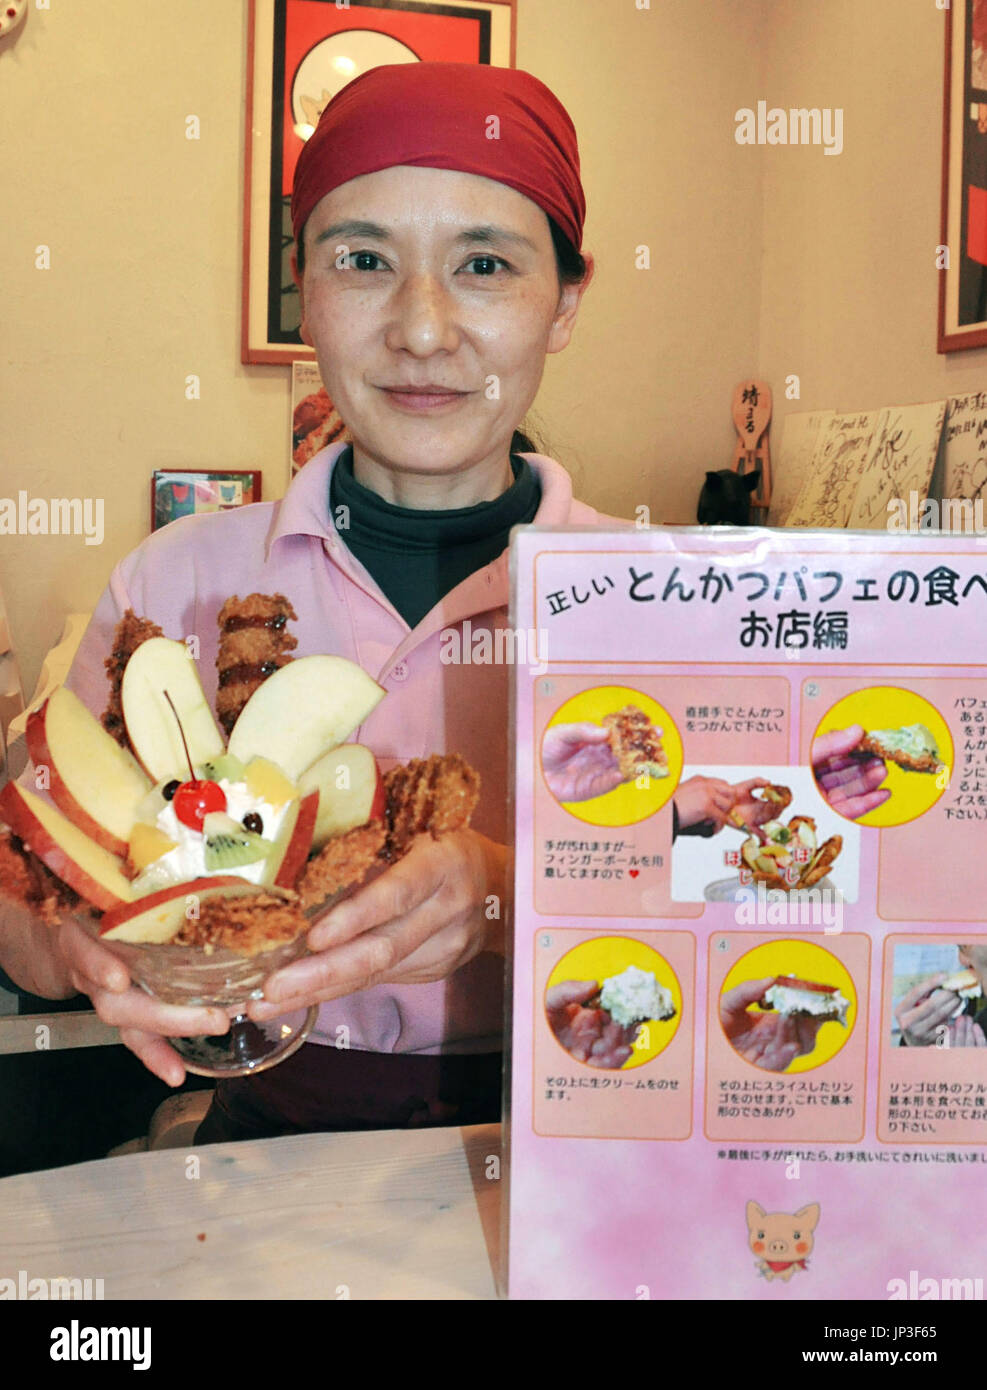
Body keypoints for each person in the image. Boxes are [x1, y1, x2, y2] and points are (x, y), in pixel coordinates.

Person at [0, 61, 628, 1141]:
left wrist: (499, 894)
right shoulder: (177, 583)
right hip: (264, 1143)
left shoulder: (661, 601)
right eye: (364, 260)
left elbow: (748, 908)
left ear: (566, 302)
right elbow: (22, 901)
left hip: (588, 1135)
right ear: (305, 285)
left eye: (485, 263)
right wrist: (83, 944)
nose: (423, 329)